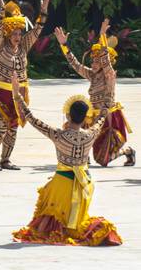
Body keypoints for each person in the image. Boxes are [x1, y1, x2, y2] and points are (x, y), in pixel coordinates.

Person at [12, 92, 122, 246]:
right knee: (76, 221)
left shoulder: (58, 135)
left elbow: (33, 120)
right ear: (85, 118)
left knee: (48, 215)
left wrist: (18, 97)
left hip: (63, 183)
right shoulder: (91, 134)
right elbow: (100, 120)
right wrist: (106, 106)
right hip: (85, 183)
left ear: (68, 116)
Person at [0, 0, 50, 171]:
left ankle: (5, 160)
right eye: (14, 33)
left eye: (20, 34)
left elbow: (36, 31)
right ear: (7, 33)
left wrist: (43, 12)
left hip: (17, 93)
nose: (18, 37)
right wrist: (1, 5)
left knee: (12, 129)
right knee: (0, 129)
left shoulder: (23, 47)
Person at [56, 22, 135, 168]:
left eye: (97, 60)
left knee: (103, 160)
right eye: (93, 59)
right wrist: (64, 45)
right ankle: (84, 158)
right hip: (92, 116)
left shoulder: (109, 75)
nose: (93, 62)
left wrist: (103, 36)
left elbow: (106, 62)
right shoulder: (92, 75)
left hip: (107, 117)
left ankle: (128, 151)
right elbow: (76, 65)